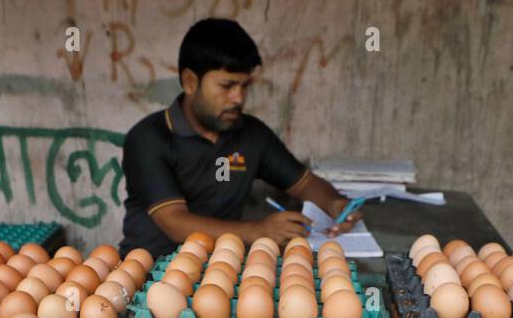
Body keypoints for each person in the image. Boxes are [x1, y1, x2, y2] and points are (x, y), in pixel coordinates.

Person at [119, 18, 362, 258]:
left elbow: (305, 183)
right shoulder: (149, 137)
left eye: (245, 86)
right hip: (148, 274)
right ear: (190, 82)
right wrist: (258, 231)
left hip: (220, 271)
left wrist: (334, 204)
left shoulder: (251, 134)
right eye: (227, 86)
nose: (238, 98)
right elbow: (175, 223)